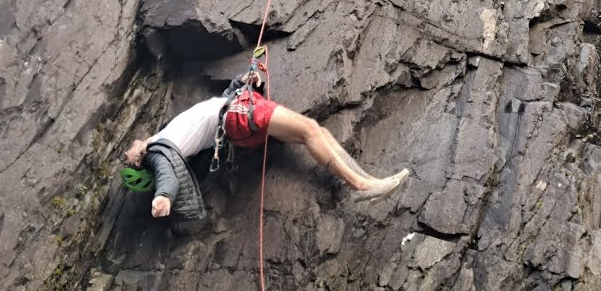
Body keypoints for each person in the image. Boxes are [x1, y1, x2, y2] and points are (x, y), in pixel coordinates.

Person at [121, 72, 409, 220]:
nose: (130, 147)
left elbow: (219, 101)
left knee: (315, 130)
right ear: (138, 161)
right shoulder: (158, 151)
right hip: (237, 116)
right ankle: (361, 186)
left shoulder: (168, 134)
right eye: (128, 154)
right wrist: (165, 198)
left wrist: (245, 82)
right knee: (310, 130)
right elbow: (166, 176)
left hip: (235, 110)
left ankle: (368, 182)